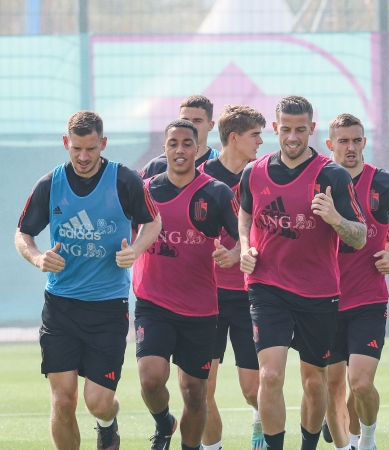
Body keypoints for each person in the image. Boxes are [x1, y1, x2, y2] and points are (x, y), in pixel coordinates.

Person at [15, 111, 161, 450]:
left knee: (97, 402)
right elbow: (23, 234)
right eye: (76, 148)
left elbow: (153, 222)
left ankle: (107, 424)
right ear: (66, 143)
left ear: (103, 144)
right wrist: (38, 257)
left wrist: (136, 250)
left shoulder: (125, 181)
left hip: (108, 308)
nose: (83, 157)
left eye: (91, 149)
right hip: (61, 307)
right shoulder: (49, 185)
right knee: (63, 400)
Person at [238, 96, 367, 450]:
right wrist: (246, 246)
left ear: (311, 129)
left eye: (300, 130)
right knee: (271, 374)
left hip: (318, 291)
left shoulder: (332, 175)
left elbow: (360, 234)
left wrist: (335, 219)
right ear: (275, 128)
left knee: (314, 382)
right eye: (286, 129)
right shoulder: (254, 171)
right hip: (267, 287)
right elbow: (246, 214)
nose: (292, 137)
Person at [133, 119, 240, 450]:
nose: (180, 150)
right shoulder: (145, 191)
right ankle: (164, 421)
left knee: (195, 391)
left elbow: (245, 236)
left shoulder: (217, 192)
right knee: (151, 378)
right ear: (164, 149)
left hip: (200, 308)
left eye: (187, 144)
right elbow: (118, 228)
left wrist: (234, 253)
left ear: (197, 149)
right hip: (153, 302)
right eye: (173, 143)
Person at [322, 114, 389, 450]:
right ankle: (344, 445)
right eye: (344, 141)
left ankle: (367, 440)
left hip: (368, 300)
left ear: (364, 142)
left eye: (357, 140)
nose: (351, 147)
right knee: (333, 387)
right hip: (323, 301)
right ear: (330, 144)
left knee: (360, 383)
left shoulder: (386, 182)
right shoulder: (316, 183)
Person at [196, 104, 267, 450]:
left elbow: (265, 230)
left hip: (249, 296)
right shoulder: (197, 176)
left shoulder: (262, 176)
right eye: (256, 135)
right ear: (234, 137)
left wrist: (239, 253)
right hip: (205, 299)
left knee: (255, 390)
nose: (262, 141)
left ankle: (260, 420)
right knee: (201, 388)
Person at [141, 95, 220, 179]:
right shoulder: (156, 167)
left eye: (197, 121)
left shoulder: (222, 164)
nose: (190, 125)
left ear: (210, 125)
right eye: (185, 120)